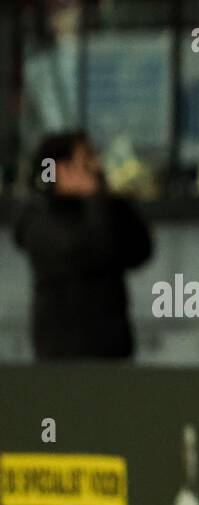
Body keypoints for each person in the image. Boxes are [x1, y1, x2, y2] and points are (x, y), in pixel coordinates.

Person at [15, 131, 152, 360]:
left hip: (111, 348)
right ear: (61, 169)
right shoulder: (39, 218)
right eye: (86, 159)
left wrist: (102, 200)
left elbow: (139, 249)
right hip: (62, 350)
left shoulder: (105, 208)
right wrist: (93, 200)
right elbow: (88, 249)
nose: (96, 165)